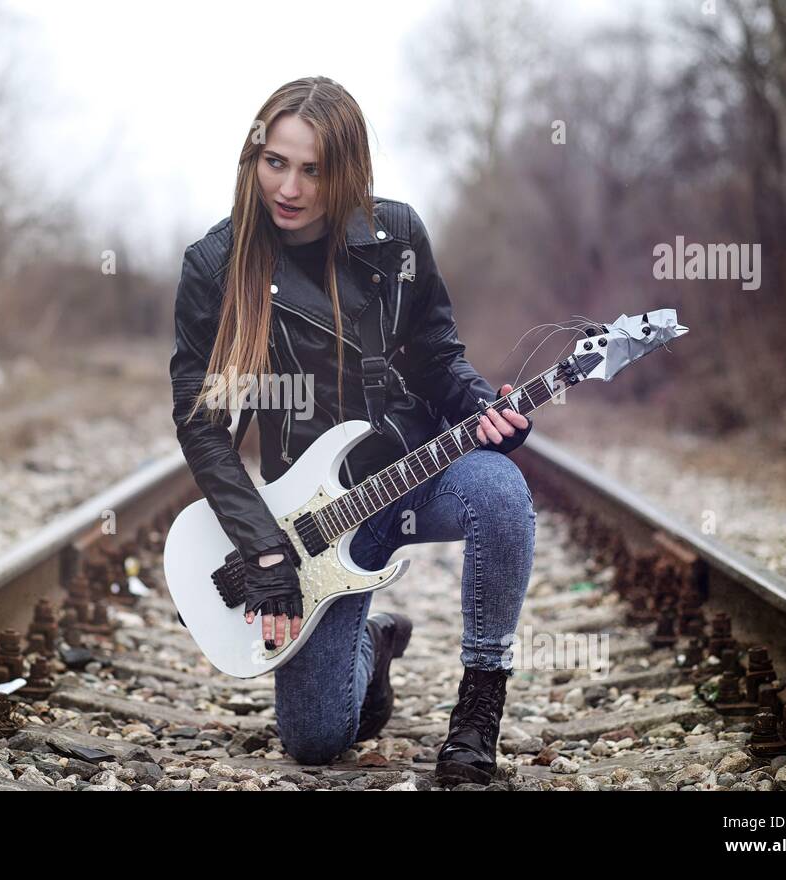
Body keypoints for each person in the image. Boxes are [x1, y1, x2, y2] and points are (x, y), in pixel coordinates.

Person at [169, 76, 536, 786]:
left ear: (347, 172)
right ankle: (374, 641)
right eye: (276, 162)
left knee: (501, 493)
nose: (290, 187)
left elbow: (437, 357)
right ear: (254, 157)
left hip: (416, 470)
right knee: (315, 740)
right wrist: (266, 551)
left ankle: (479, 706)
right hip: (323, 518)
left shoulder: (396, 236)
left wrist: (483, 406)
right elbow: (205, 426)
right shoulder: (216, 266)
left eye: (313, 170)